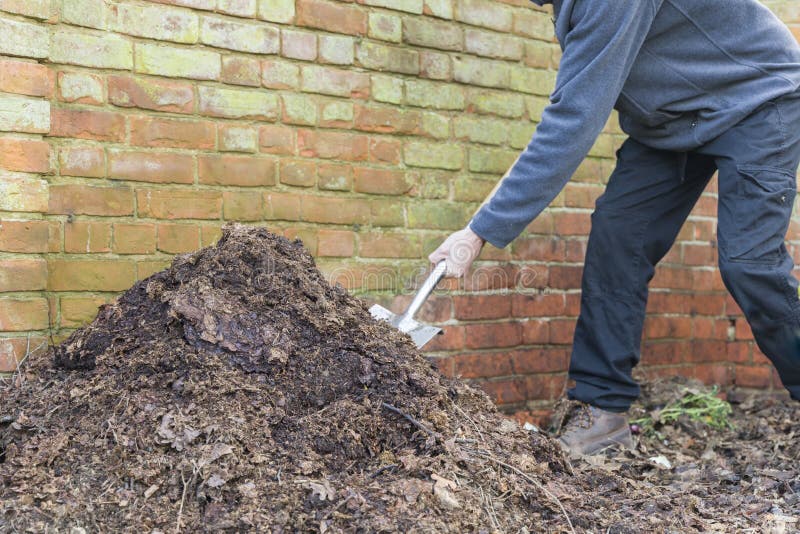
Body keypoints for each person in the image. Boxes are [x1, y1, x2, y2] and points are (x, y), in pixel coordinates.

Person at [429, 0, 800, 456]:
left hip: (756, 98)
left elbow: (573, 119)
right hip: (671, 120)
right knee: (617, 237)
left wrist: (478, 232)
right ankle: (600, 412)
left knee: (749, 264)